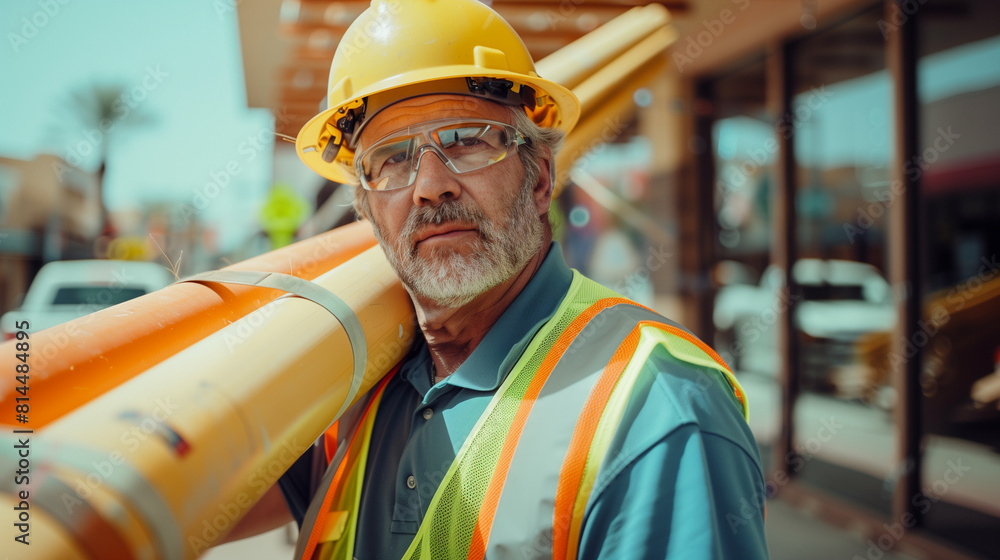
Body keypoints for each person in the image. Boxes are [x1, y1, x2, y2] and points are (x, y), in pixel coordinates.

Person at [231, 0, 769, 558]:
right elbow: (181, 507)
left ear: (539, 178)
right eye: (391, 157)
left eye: (467, 139)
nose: (430, 186)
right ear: (365, 208)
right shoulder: (355, 387)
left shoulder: (655, 408)